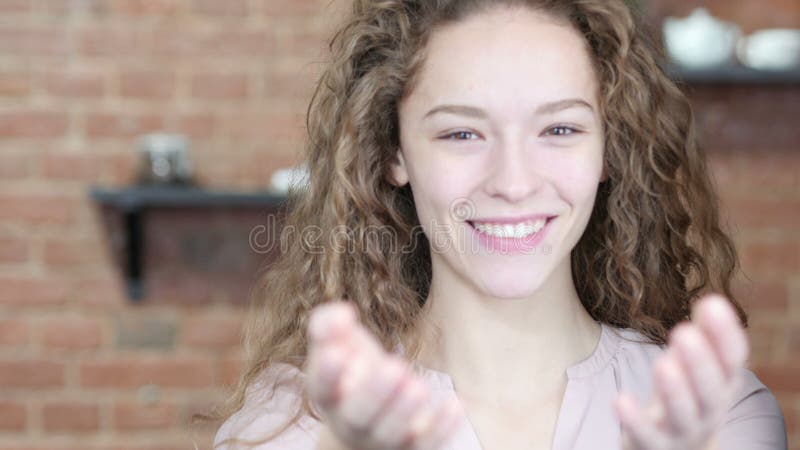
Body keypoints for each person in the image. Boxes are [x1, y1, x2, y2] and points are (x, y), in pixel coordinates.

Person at [203, 1, 788, 449]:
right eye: (462, 133)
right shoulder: (296, 424)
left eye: (559, 129)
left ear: (611, 150)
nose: (513, 182)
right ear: (394, 152)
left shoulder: (722, 417)